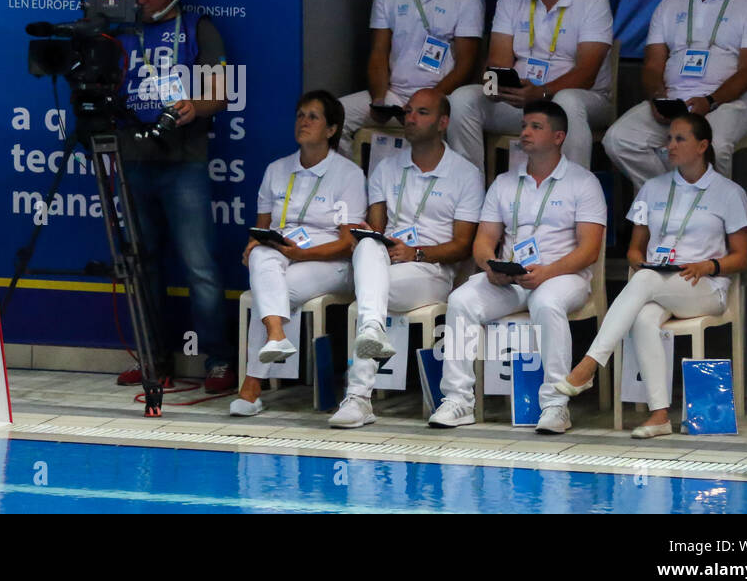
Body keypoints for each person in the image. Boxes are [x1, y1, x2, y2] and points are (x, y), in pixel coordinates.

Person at [558, 113, 747, 437]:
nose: (670, 145)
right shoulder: (652, 188)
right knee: (644, 317)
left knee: (643, 283)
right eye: (669, 138)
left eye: (679, 139)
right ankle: (660, 415)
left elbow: (741, 256)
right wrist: (640, 262)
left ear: (702, 146)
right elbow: (636, 248)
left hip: (703, 285)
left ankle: (589, 363)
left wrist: (709, 266)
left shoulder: (728, 192)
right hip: (659, 280)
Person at [430, 100, 606, 433]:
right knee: (461, 300)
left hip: (563, 277)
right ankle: (458, 400)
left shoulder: (583, 183)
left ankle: (556, 404)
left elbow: (589, 250)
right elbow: (483, 241)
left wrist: (547, 272)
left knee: (546, 300)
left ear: (558, 137)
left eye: (535, 127)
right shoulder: (505, 182)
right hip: (510, 278)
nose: (525, 132)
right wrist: (489, 266)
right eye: (524, 125)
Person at [114, 0, 236, 392]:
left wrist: (194, 106)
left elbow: (220, 94)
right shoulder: (117, 33)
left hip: (183, 163)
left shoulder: (197, 28)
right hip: (131, 160)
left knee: (199, 265)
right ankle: (154, 361)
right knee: (141, 267)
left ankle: (219, 360)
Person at [329, 88, 483, 428]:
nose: (410, 118)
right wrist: (373, 237)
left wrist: (416, 252)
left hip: (432, 272)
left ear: (443, 122)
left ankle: (358, 397)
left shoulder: (465, 174)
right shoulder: (386, 167)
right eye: (409, 111)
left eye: (421, 113)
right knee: (368, 246)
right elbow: (378, 229)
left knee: (372, 296)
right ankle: (362, 378)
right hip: (386, 267)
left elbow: (463, 245)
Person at [603, 0, 747, 190]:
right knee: (618, 139)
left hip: (727, 106)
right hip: (674, 103)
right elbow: (653, 64)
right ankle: (670, 198)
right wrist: (658, 98)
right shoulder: (670, 4)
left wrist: (711, 100)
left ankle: (712, 224)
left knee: (711, 144)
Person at [229, 91, 366, 417]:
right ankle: (276, 335)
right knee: (262, 257)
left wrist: (304, 254)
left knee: (269, 290)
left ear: (332, 130)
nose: (303, 122)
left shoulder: (348, 174)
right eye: (300, 115)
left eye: (313, 117)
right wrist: (253, 245)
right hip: (282, 253)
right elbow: (261, 228)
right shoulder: (277, 169)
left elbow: (349, 242)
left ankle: (251, 388)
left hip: (328, 261)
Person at [448, 0, 614, 171]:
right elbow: (498, 61)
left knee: (567, 102)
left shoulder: (593, 0)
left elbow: (586, 74)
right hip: (520, 98)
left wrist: (543, 92)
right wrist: (495, 87)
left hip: (583, 100)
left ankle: (573, 197)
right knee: (461, 99)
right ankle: (469, 190)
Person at [339, 0, 484, 156]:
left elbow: (465, 66)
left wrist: (429, 99)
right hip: (394, 97)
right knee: (335, 116)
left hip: (439, 98)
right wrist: (379, 99)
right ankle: (347, 191)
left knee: (456, 112)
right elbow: (378, 53)